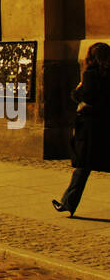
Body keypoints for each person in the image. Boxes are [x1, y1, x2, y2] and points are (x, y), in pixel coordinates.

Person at [53, 42, 110, 216]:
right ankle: (68, 202)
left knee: (83, 166)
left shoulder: (90, 74)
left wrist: (77, 91)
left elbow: (87, 97)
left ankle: (68, 202)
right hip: (106, 124)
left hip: (91, 127)